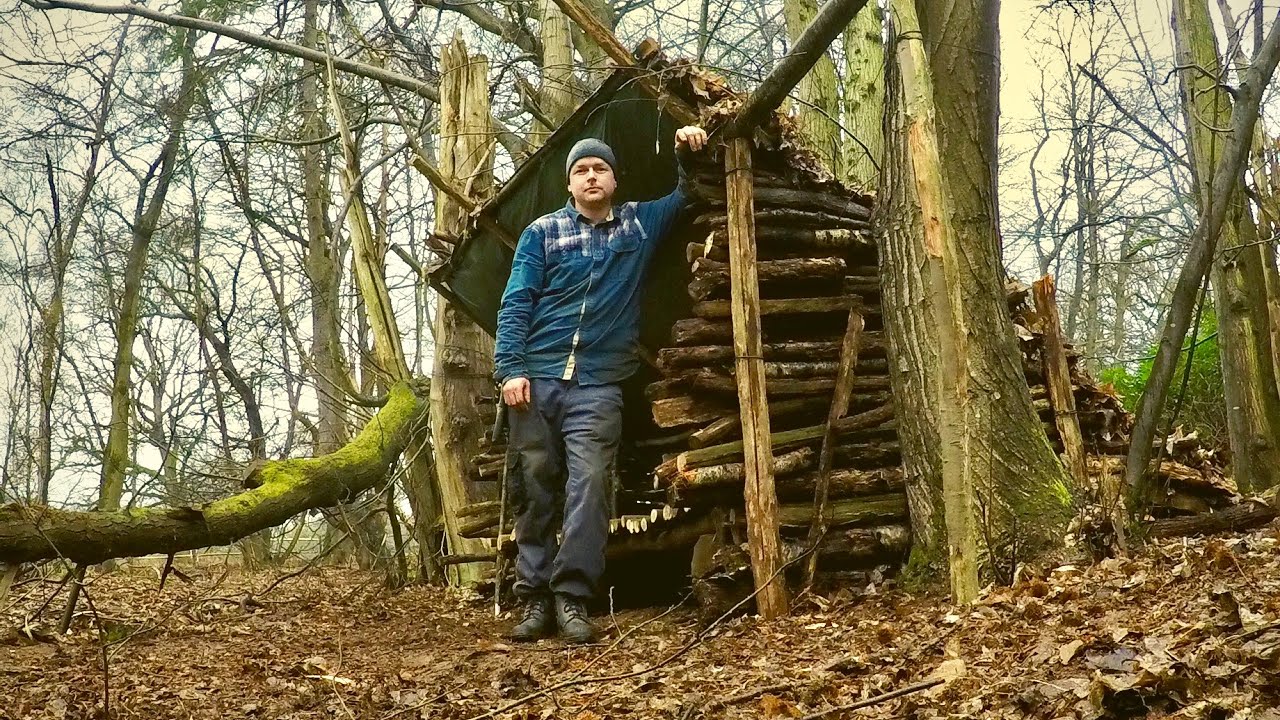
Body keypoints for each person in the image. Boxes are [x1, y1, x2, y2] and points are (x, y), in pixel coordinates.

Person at [494, 125, 710, 643]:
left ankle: (572, 598)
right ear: (569, 185)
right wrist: (511, 369)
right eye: (581, 171)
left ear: (614, 180)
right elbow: (517, 301)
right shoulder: (542, 232)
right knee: (535, 490)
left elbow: (687, 195)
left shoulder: (637, 225)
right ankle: (534, 601)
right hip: (538, 379)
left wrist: (685, 148)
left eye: (600, 169)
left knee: (589, 485)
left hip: (599, 384)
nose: (591, 177)